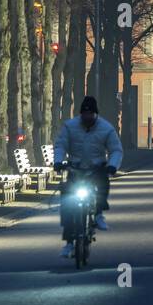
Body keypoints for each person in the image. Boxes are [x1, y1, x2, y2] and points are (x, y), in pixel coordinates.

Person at [53, 95, 124, 258]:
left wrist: (112, 165)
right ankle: (69, 242)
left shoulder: (106, 128)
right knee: (67, 202)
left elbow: (116, 149)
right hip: (75, 169)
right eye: (84, 115)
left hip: (96, 168)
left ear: (95, 114)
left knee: (102, 184)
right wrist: (58, 162)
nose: (87, 118)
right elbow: (61, 145)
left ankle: (99, 213)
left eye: (90, 115)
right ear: (80, 114)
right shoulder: (70, 127)